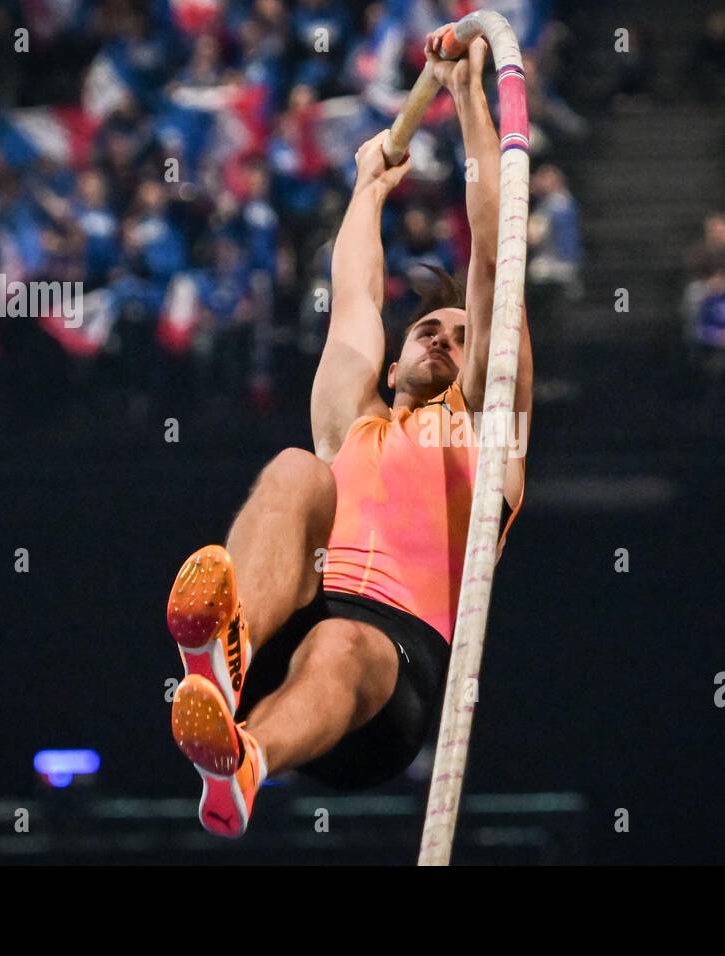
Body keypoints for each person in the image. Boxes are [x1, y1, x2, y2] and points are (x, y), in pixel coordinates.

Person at [165, 28, 534, 837]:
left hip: (387, 683)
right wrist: (369, 186)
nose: (443, 337)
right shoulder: (352, 421)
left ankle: (245, 763)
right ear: (400, 351)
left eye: (462, 336)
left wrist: (469, 100)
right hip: (295, 624)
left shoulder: (484, 434)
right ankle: (224, 665)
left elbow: (495, 264)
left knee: (343, 642)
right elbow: (357, 295)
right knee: (299, 470)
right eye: (430, 328)